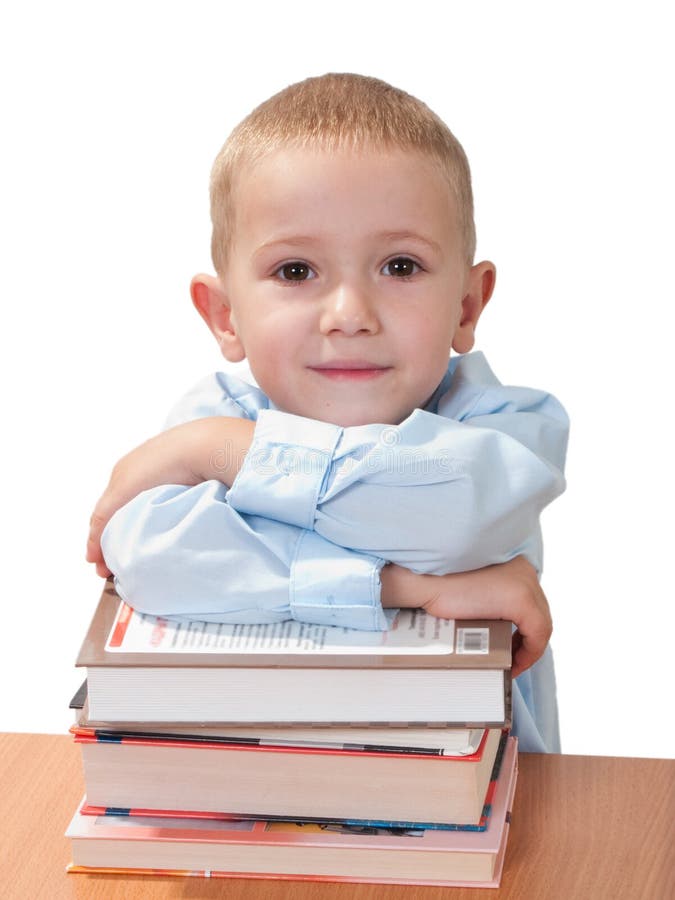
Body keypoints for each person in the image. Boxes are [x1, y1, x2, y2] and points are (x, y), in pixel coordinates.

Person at [86, 74, 569, 752]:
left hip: (481, 810)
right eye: (294, 272)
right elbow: (152, 556)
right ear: (225, 317)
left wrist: (227, 455)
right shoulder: (214, 409)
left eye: (399, 267)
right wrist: (404, 586)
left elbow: (457, 514)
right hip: (261, 804)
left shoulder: (508, 426)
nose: (349, 316)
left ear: (466, 306)